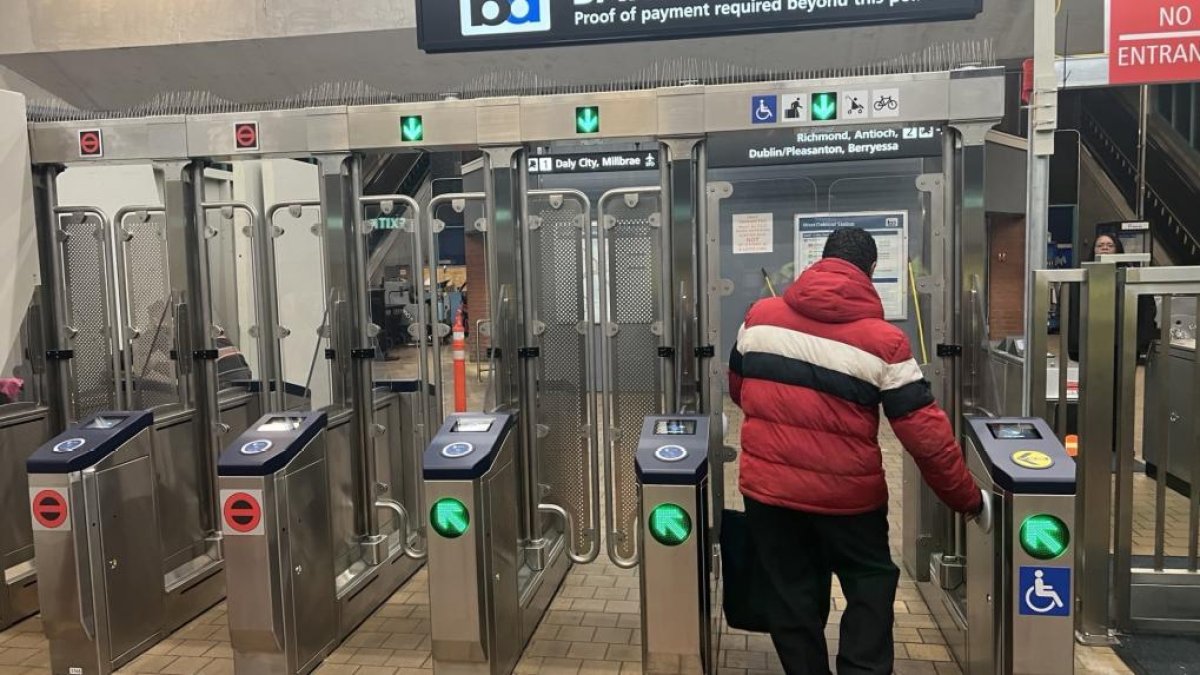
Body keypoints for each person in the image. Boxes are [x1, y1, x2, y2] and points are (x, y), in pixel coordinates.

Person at [728, 227, 983, 675]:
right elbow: (926, 436)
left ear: (818, 261)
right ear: (870, 271)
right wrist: (966, 498)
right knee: (870, 583)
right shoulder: (885, 342)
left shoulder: (758, 318)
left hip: (770, 493)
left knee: (792, 594)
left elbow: (739, 388)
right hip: (848, 502)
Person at [1066, 233, 1158, 363]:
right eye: (1100, 245)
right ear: (1094, 250)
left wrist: (1142, 342)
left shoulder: (1131, 276)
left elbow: (1147, 310)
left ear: (1118, 249)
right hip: (1092, 340)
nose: (1105, 248)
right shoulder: (1082, 278)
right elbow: (1072, 312)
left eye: (1110, 245)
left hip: (1124, 341)